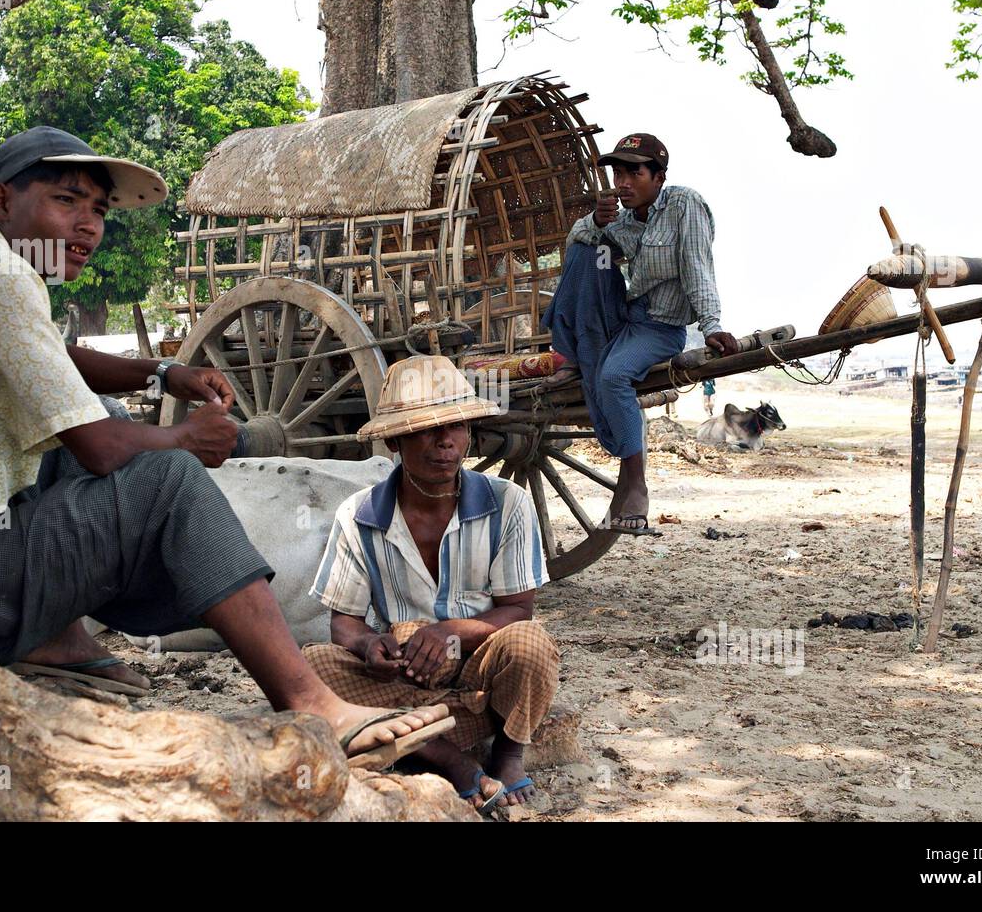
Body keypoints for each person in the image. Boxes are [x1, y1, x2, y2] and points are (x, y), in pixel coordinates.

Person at [0, 126, 450, 767]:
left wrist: (161, 373)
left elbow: (55, 359)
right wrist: (183, 436)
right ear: (2, 200)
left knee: (107, 410)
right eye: (66, 200)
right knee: (165, 476)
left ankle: (55, 637)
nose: (88, 225)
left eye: (96, 209)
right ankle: (310, 701)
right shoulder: (4, 282)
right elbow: (98, 451)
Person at [303, 355, 560, 815]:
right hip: (404, 678)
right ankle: (452, 760)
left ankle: (506, 751)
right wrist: (367, 646)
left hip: (481, 677)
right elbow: (343, 622)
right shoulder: (358, 515)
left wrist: (453, 631)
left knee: (531, 644)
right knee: (312, 667)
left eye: (456, 427)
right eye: (426, 429)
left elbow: (519, 609)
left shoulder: (508, 503)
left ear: (468, 433)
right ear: (396, 440)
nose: (444, 442)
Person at [541, 132, 739, 533]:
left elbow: (697, 268)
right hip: (622, 317)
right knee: (587, 250)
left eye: (635, 172)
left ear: (659, 176)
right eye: (618, 173)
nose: (623, 182)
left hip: (660, 328)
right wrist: (596, 222)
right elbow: (574, 240)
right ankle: (578, 353)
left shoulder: (685, 205)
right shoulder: (622, 217)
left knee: (614, 376)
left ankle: (635, 482)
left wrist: (712, 325)